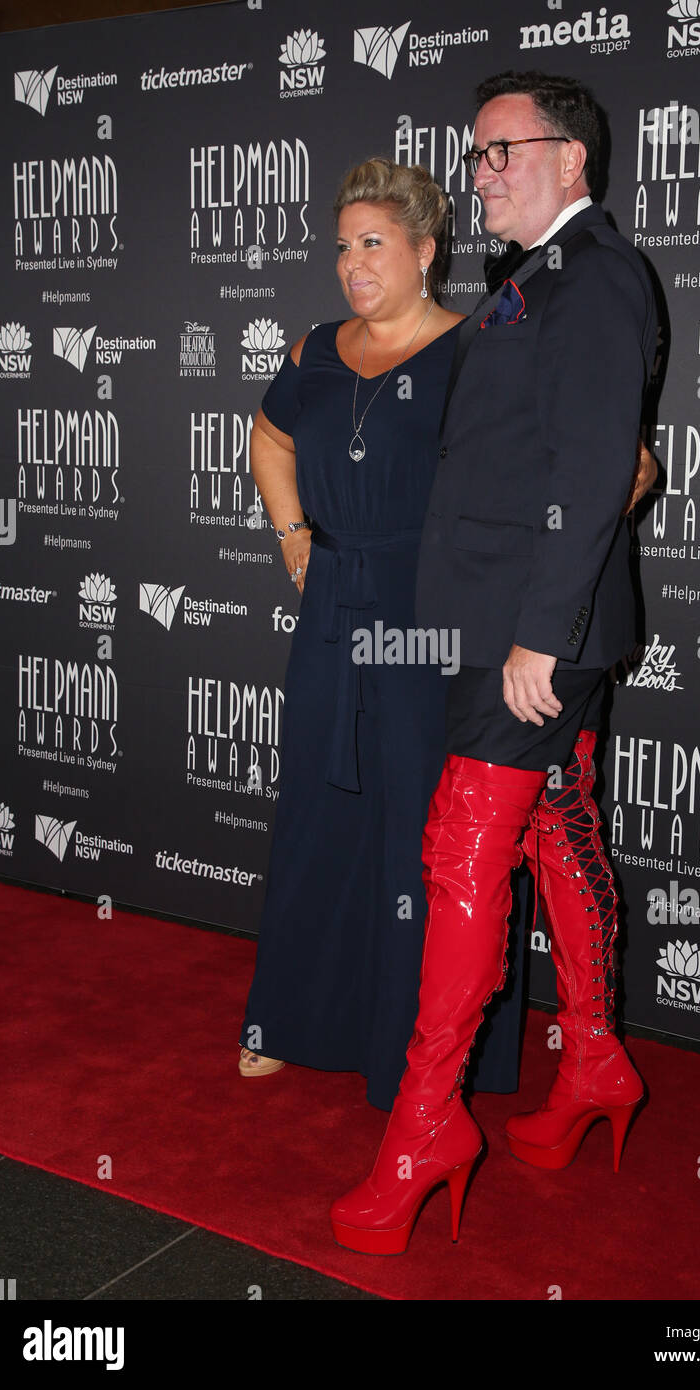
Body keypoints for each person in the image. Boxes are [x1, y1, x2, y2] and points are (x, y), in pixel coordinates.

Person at [331, 72, 659, 1253]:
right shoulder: (531, 281)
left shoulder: (597, 277)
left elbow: (587, 467)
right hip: (509, 621)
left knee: (462, 843)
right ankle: (595, 1066)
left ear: (570, 159)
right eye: (474, 156)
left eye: (502, 151)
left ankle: (425, 1125)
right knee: (549, 828)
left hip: (534, 633)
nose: (481, 173)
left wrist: (538, 633)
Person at [237, 159, 534, 1111]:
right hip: (333, 611)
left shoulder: (479, 349)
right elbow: (270, 438)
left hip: (432, 619)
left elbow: (579, 457)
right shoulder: (316, 350)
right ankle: (290, 1018)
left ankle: (423, 1047)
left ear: (424, 252)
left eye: (373, 244)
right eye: (341, 246)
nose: (352, 264)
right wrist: (294, 537)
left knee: (423, 827)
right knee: (320, 815)